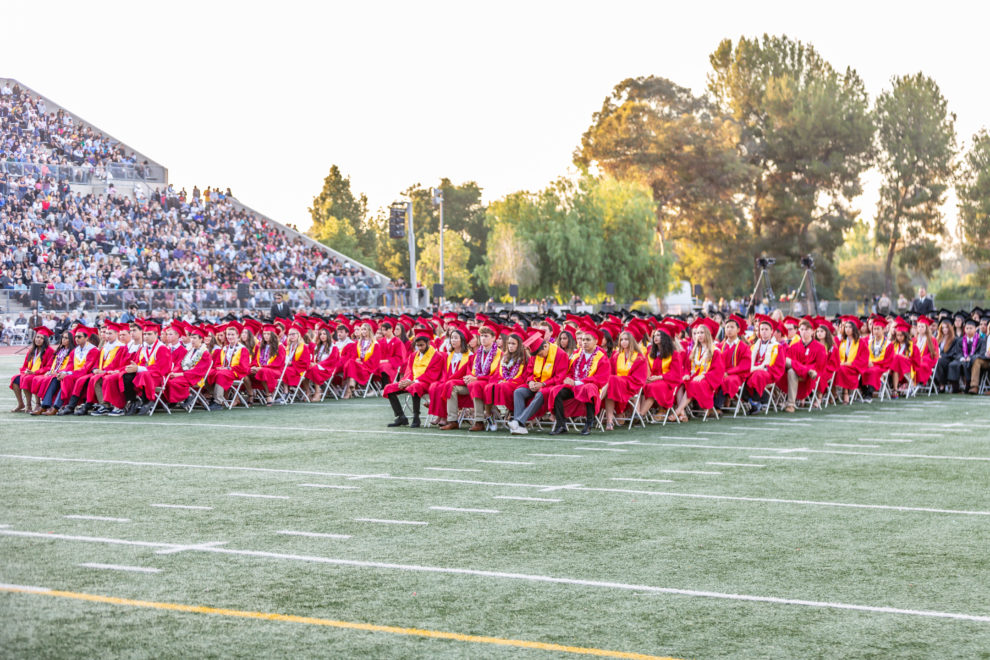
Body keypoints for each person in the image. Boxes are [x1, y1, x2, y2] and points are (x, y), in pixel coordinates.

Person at [545, 328, 610, 436]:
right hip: (574, 386)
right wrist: (569, 380)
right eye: (583, 340)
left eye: (588, 340)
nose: (584, 342)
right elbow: (570, 371)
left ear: (595, 341)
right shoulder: (576, 354)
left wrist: (578, 382)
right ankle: (561, 425)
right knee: (556, 391)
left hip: (590, 386)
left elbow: (600, 379)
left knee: (588, 389)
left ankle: (589, 424)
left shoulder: (601, 357)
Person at [506, 331, 569, 435]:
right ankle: (520, 426)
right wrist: (530, 382)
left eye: (540, 354)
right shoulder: (536, 354)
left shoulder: (561, 355)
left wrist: (543, 384)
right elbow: (529, 372)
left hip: (551, 386)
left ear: (545, 346)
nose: (539, 356)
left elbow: (560, 377)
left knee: (541, 393)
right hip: (535, 384)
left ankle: (518, 422)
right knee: (519, 392)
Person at [382, 329, 443, 428]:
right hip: (412, 381)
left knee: (416, 386)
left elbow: (432, 375)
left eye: (422, 345)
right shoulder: (414, 355)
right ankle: (401, 417)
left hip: (426, 383)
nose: (419, 348)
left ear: (428, 342)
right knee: (389, 388)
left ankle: (416, 417)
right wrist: (407, 381)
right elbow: (409, 371)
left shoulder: (437, 356)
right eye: (417, 345)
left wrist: (413, 381)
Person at [671, 318, 724, 422]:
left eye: (702, 332)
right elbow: (687, 366)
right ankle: (683, 414)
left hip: (708, 381)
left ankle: (677, 411)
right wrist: (686, 374)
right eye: (697, 333)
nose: (699, 335)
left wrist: (704, 375)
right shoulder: (694, 350)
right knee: (680, 383)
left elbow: (718, 370)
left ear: (707, 334)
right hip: (694, 378)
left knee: (693, 384)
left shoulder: (715, 351)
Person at [460, 322, 502, 431]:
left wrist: (477, 378)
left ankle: (480, 420)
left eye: (486, 336)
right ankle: (452, 419)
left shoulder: (499, 354)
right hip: (479, 381)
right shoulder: (478, 353)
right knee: (467, 385)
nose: (483, 338)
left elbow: (497, 374)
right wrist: (470, 377)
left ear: (493, 338)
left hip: (492, 382)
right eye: (482, 336)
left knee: (476, 385)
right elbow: (473, 370)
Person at [602, 330, 647, 430]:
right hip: (615, 384)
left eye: (626, 339)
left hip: (630, 385)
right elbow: (610, 372)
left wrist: (619, 379)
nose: (623, 342)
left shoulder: (639, 358)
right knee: (611, 383)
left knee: (612, 381)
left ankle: (598, 400)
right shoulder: (616, 355)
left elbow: (639, 379)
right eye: (621, 339)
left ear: (631, 341)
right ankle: (609, 421)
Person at [483, 332, 530, 429]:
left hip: (517, 383)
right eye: (509, 343)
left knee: (505, 386)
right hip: (504, 381)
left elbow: (524, 375)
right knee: (489, 387)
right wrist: (501, 379)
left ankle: (512, 413)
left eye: (513, 344)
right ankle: (488, 415)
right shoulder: (504, 356)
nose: (510, 346)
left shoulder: (524, 357)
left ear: (519, 345)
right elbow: (498, 372)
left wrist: (508, 381)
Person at [637, 327, 685, 421]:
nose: (655, 337)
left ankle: (640, 415)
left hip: (667, 382)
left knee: (652, 387)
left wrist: (659, 377)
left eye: (658, 335)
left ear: (665, 338)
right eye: (654, 335)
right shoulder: (651, 352)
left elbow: (676, 374)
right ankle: (636, 413)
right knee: (641, 385)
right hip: (652, 379)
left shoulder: (674, 354)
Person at [430, 328, 473, 430]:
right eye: (451, 338)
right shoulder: (450, 355)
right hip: (450, 382)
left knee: (445, 386)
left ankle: (446, 418)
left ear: (462, 340)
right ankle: (440, 415)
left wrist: (449, 381)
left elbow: (468, 375)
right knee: (435, 386)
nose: (453, 340)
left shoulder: (470, 356)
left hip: (462, 385)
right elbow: (445, 373)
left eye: (455, 338)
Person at [742, 315, 785, 414]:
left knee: (758, 375)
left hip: (769, 372)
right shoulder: (754, 346)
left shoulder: (777, 347)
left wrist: (764, 368)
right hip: (754, 370)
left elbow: (779, 365)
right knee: (743, 375)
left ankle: (756, 401)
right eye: (762, 329)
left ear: (772, 331)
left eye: (766, 329)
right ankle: (755, 401)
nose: (764, 332)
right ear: (759, 332)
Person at [781, 318, 826, 412]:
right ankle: (791, 405)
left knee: (790, 366)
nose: (804, 332)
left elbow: (819, 366)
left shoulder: (820, 348)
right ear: (798, 331)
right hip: (801, 373)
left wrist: (807, 369)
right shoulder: (794, 347)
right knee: (788, 366)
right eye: (801, 329)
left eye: (806, 329)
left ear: (812, 331)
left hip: (809, 376)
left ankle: (790, 404)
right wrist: (805, 369)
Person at [164, 327, 213, 410]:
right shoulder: (190, 350)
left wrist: (179, 374)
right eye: (191, 338)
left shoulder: (205, 353)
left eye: (195, 338)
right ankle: (174, 400)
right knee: (167, 380)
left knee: (173, 382)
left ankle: (187, 396)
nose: (192, 340)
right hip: (186, 374)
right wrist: (172, 372)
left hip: (195, 377)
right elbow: (181, 364)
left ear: (201, 339)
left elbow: (198, 371)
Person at [9, 326, 53, 412]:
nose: (38, 339)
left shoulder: (49, 351)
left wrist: (35, 372)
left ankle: (32, 405)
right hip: (30, 373)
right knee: (15, 379)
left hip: (41, 374)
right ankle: (21, 404)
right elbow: (25, 365)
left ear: (45, 340)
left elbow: (49, 367)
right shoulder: (31, 350)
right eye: (37, 337)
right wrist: (25, 371)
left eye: (41, 338)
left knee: (27, 378)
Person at [718, 314, 751, 407]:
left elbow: (744, 365)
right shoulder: (720, 346)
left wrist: (728, 372)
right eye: (727, 327)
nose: (729, 329)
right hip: (722, 373)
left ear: (738, 330)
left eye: (732, 327)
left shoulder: (744, 347)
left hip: (737, 375)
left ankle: (718, 405)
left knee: (728, 380)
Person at [835, 318, 868, 404]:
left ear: (854, 329)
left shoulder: (861, 342)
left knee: (842, 369)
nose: (847, 329)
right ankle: (834, 394)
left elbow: (864, 358)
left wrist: (851, 363)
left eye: (850, 327)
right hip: (842, 365)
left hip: (854, 367)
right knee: (838, 369)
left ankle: (845, 393)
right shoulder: (842, 342)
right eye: (846, 327)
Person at [860, 318, 894, 402]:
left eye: (878, 329)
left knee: (874, 371)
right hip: (869, 365)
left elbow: (888, 360)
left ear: (883, 330)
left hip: (882, 366)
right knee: (860, 370)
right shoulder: (869, 342)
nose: (876, 331)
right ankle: (864, 392)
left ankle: (869, 394)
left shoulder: (889, 344)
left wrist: (874, 363)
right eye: (874, 329)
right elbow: (865, 355)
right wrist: (867, 362)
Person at [950, 318, 985, 394]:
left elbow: (981, 353)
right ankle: (955, 388)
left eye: (971, 328)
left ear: (975, 329)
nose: (969, 330)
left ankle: (968, 387)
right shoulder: (960, 341)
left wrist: (971, 358)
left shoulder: (981, 341)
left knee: (967, 364)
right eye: (967, 328)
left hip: (973, 360)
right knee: (953, 365)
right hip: (962, 360)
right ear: (964, 329)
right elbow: (957, 353)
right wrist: (962, 358)